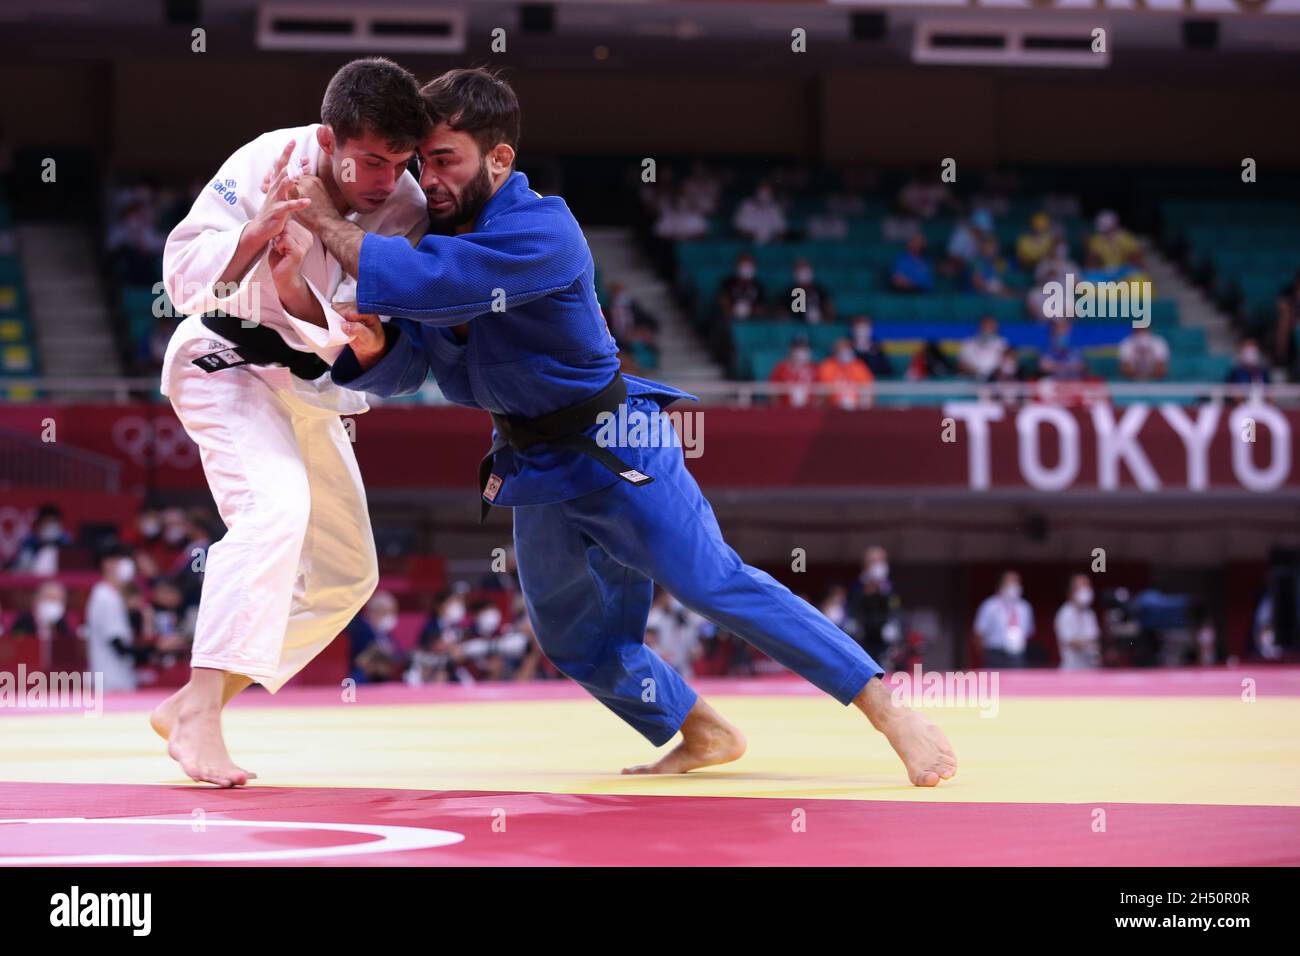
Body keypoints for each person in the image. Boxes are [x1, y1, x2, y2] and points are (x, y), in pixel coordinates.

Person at [297, 66, 956, 786]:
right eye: (421, 163)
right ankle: (699, 728)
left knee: (710, 582)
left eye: (444, 159)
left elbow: (436, 283)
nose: (430, 178)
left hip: (615, 445)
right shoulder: (433, 239)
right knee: (572, 637)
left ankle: (889, 708)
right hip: (531, 464)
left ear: (499, 157)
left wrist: (321, 220)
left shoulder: (541, 228)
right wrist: (373, 348)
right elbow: (410, 366)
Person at [148, 57, 431, 787]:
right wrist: (253, 239)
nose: (384, 178)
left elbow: (365, 335)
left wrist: (297, 286)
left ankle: (186, 703)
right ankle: (202, 718)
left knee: (347, 574)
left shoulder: (406, 205)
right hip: (225, 359)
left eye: (398, 162)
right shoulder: (267, 159)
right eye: (370, 159)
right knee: (275, 508)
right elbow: (182, 280)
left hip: (310, 384)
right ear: (331, 136)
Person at [85, 546, 148, 692]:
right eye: (122, 560)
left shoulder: (116, 596)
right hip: (111, 682)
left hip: (120, 678)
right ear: (107, 564)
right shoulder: (105, 597)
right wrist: (155, 650)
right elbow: (119, 645)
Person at [974, 571, 1034, 668]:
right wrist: (986, 655)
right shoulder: (990, 606)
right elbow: (978, 632)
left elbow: (1028, 632)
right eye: (1010, 583)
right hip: (995, 653)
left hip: (1017, 653)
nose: (1013, 586)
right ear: (1001, 585)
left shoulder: (1024, 607)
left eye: (1016, 583)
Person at [1055, 574, 1101, 670]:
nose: (1087, 591)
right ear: (1072, 591)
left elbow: (1095, 637)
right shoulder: (1065, 613)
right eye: (1082, 587)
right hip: (1072, 668)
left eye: (1088, 586)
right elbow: (1070, 642)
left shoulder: (1089, 613)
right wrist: (1088, 643)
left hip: (1092, 668)